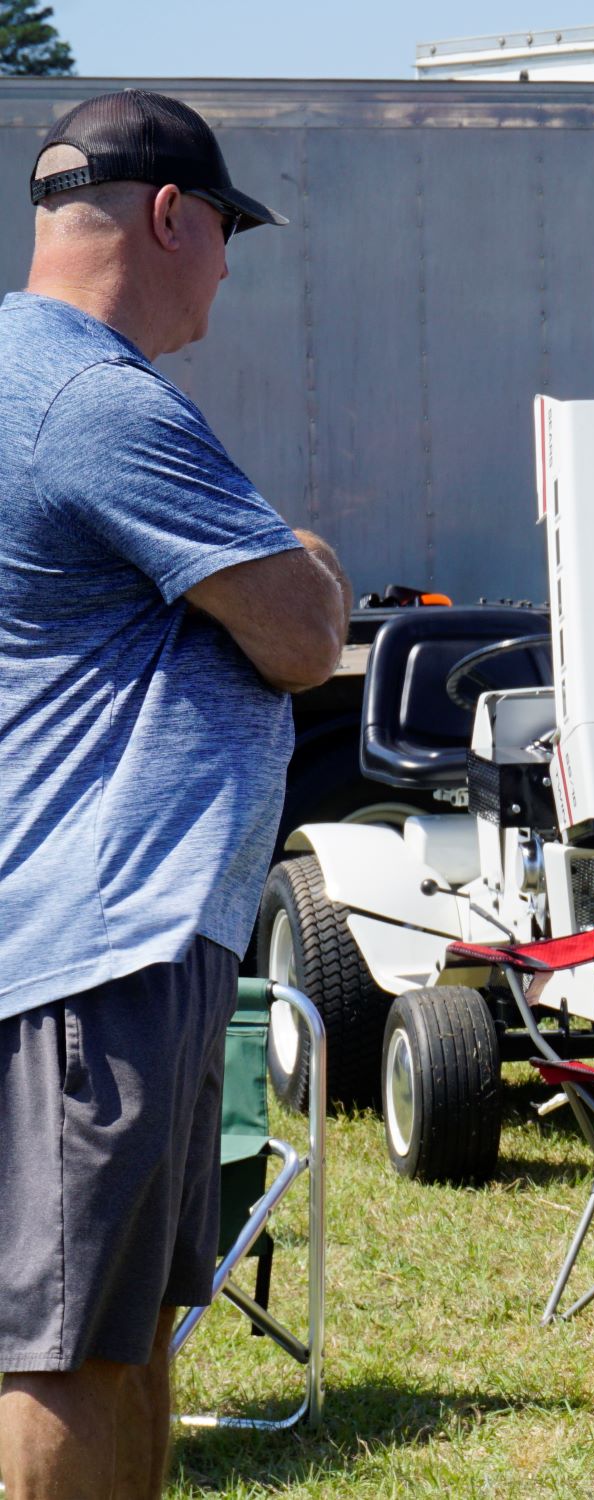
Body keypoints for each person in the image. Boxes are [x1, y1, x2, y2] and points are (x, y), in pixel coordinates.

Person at [0, 90, 348, 1499]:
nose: (227, 269)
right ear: (170, 217)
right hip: (100, 943)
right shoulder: (98, 402)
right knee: (73, 1342)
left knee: (128, 1330)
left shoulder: (37, 381)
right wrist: (302, 547)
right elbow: (304, 631)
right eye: (225, 235)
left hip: (103, 937)